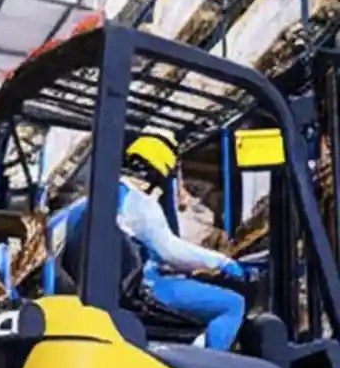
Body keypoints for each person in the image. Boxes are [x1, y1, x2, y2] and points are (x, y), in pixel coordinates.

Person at [52, 127, 248, 350]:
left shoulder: (84, 202)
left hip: (101, 291)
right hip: (141, 290)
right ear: (160, 174)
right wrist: (223, 262)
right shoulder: (139, 202)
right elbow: (170, 250)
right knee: (232, 304)